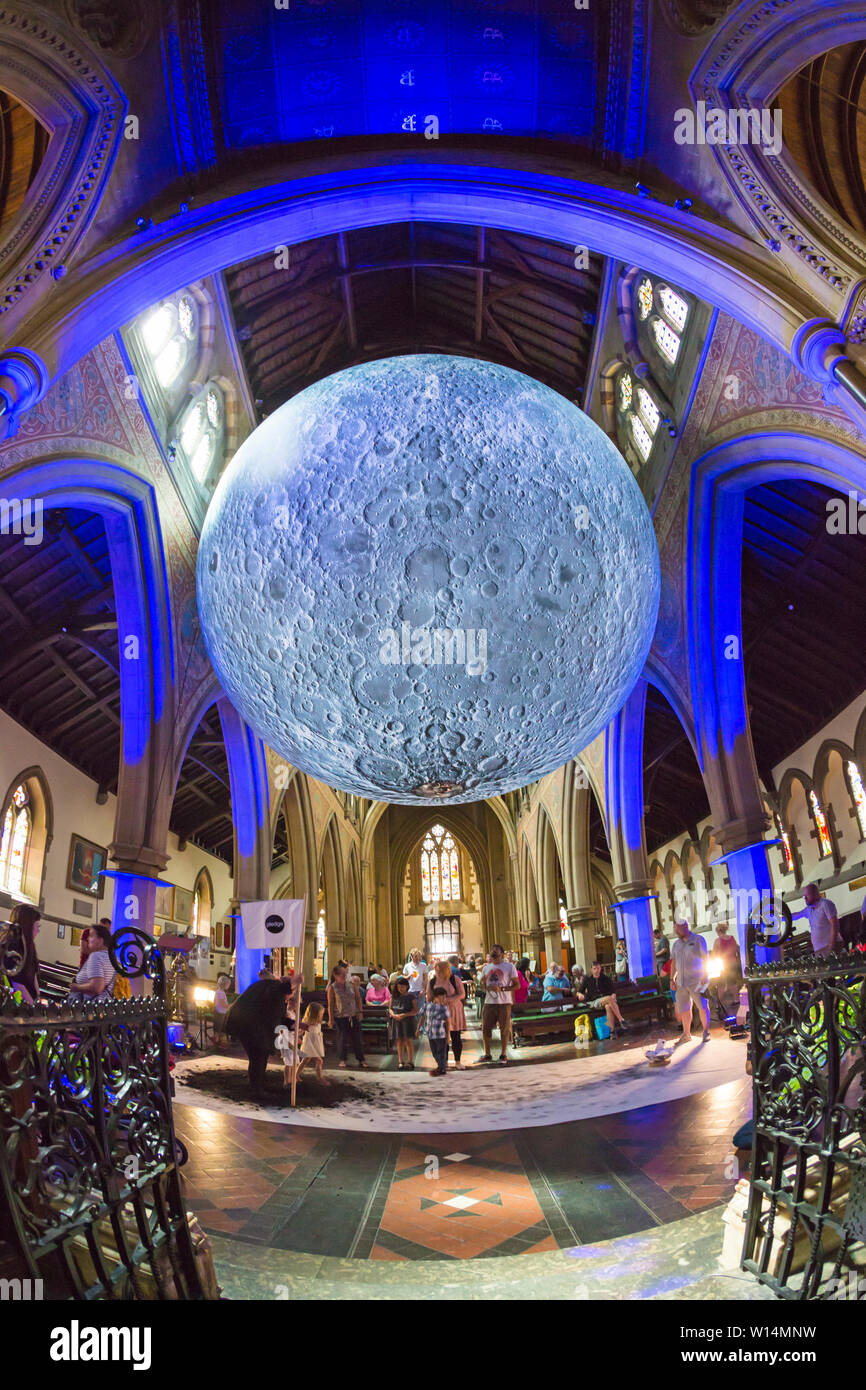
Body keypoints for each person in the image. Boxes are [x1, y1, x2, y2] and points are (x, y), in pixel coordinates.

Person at [226, 974, 299, 1097]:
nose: (290, 998)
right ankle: (256, 1089)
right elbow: (278, 991)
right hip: (248, 1026)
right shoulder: (272, 987)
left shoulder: (276, 995)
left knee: (261, 1056)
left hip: (253, 1026)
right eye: (291, 995)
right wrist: (296, 980)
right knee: (258, 1056)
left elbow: (278, 1018)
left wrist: (294, 1024)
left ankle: (258, 1084)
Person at [670, 918, 711, 1046]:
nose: (676, 932)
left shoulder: (698, 940)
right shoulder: (676, 944)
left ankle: (706, 1031)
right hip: (681, 983)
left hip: (697, 980)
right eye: (675, 929)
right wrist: (672, 978)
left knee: (702, 1006)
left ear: (685, 926)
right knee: (684, 1009)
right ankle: (686, 1034)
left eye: (678, 929)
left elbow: (705, 959)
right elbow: (674, 962)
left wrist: (705, 975)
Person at [478, 943, 518, 1065]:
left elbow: (517, 985)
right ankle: (487, 1053)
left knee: (504, 1029)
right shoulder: (486, 968)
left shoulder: (509, 966)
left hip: (504, 1002)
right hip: (489, 1002)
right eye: (492, 950)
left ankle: (503, 1054)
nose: (493, 952)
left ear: (502, 953)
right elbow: (483, 987)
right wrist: (483, 984)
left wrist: (502, 989)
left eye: (496, 950)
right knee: (486, 1028)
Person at [425, 956, 466, 1068]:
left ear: (446, 970)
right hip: (439, 1011)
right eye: (436, 970)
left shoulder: (454, 979)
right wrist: (436, 1000)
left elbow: (462, 994)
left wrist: (449, 1000)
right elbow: (428, 996)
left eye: (439, 970)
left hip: (454, 1010)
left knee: (455, 1036)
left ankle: (458, 1061)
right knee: (442, 1038)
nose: (437, 972)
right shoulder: (433, 981)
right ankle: (445, 1061)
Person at [327, 963, 367, 1069]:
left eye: (345, 974)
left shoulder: (351, 985)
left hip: (353, 1015)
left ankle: (361, 1059)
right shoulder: (332, 987)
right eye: (342, 974)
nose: (344, 976)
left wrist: (360, 1012)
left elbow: (358, 999)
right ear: (336, 975)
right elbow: (330, 1005)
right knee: (342, 1039)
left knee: (357, 1038)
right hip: (340, 1017)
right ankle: (342, 1059)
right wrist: (331, 1019)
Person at [0, 903, 41, 1004]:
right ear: (27, 927)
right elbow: (17, 984)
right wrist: (32, 1008)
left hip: (30, 1001)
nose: (38, 930)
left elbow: (34, 974)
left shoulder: (30, 946)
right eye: (36, 926)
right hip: (15, 1003)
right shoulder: (12, 947)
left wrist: (38, 998)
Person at [576, 961, 628, 1037]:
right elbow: (579, 992)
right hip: (594, 1002)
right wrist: (580, 995)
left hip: (607, 1001)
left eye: (598, 968)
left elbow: (613, 990)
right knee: (609, 998)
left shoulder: (605, 978)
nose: (596, 970)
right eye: (594, 969)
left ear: (600, 969)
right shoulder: (588, 980)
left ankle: (612, 1032)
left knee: (608, 1007)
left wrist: (613, 995)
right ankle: (621, 1020)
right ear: (591, 970)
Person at [790, 883, 842, 957]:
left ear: (815, 894)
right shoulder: (809, 909)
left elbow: (835, 924)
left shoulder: (825, 904)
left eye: (807, 895)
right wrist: (780, 918)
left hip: (831, 945)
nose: (805, 898)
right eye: (804, 896)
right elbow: (797, 915)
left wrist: (831, 945)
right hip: (819, 949)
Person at [68, 921, 116, 1002]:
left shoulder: (96, 956)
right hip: (103, 1004)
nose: (88, 938)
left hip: (90, 1006)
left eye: (91, 936)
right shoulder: (111, 957)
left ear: (100, 941)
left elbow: (97, 987)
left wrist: (75, 987)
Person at [289, 1002, 328, 1087]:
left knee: (305, 1060)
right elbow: (301, 1031)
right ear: (314, 1013)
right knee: (318, 1060)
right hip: (310, 1043)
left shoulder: (318, 1022)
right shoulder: (307, 1022)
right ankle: (319, 1078)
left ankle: (295, 1075)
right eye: (320, 1013)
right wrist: (295, 1036)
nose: (321, 1015)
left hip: (316, 1043)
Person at [389, 975, 418, 1070]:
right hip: (397, 1021)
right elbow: (390, 1008)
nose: (400, 989)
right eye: (399, 987)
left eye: (402, 986)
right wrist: (393, 1015)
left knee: (408, 1041)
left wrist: (404, 1015)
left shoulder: (411, 997)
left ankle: (410, 1061)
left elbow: (415, 1011)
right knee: (399, 1041)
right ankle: (400, 1061)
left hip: (407, 1021)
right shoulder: (394, 996)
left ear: (407, 986)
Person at [426, 986, 452, 1077]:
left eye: (444, 997)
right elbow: (422, 1016)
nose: (443, 999)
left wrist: (448, 1035)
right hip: (430, 1033)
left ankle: (441, 1068)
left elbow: (448, 1022)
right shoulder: (428, 1006)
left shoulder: (444, 1008)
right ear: (435, 997)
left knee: (441, 1052)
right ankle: (441, 1067)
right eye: (441, 997)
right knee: (434, 1052)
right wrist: (418, 1029)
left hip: (440, 1034)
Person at [213, 974, 230, 1047]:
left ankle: (217, 1040)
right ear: (225, 984)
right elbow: (222, 1003)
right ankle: (218, 1041)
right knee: (220, 1027)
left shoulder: (218, 991)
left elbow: (214, 1001)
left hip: (218, 1011)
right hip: (221, 1012)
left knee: (217, 1026)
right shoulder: (221, 993)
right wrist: (230, 1006)